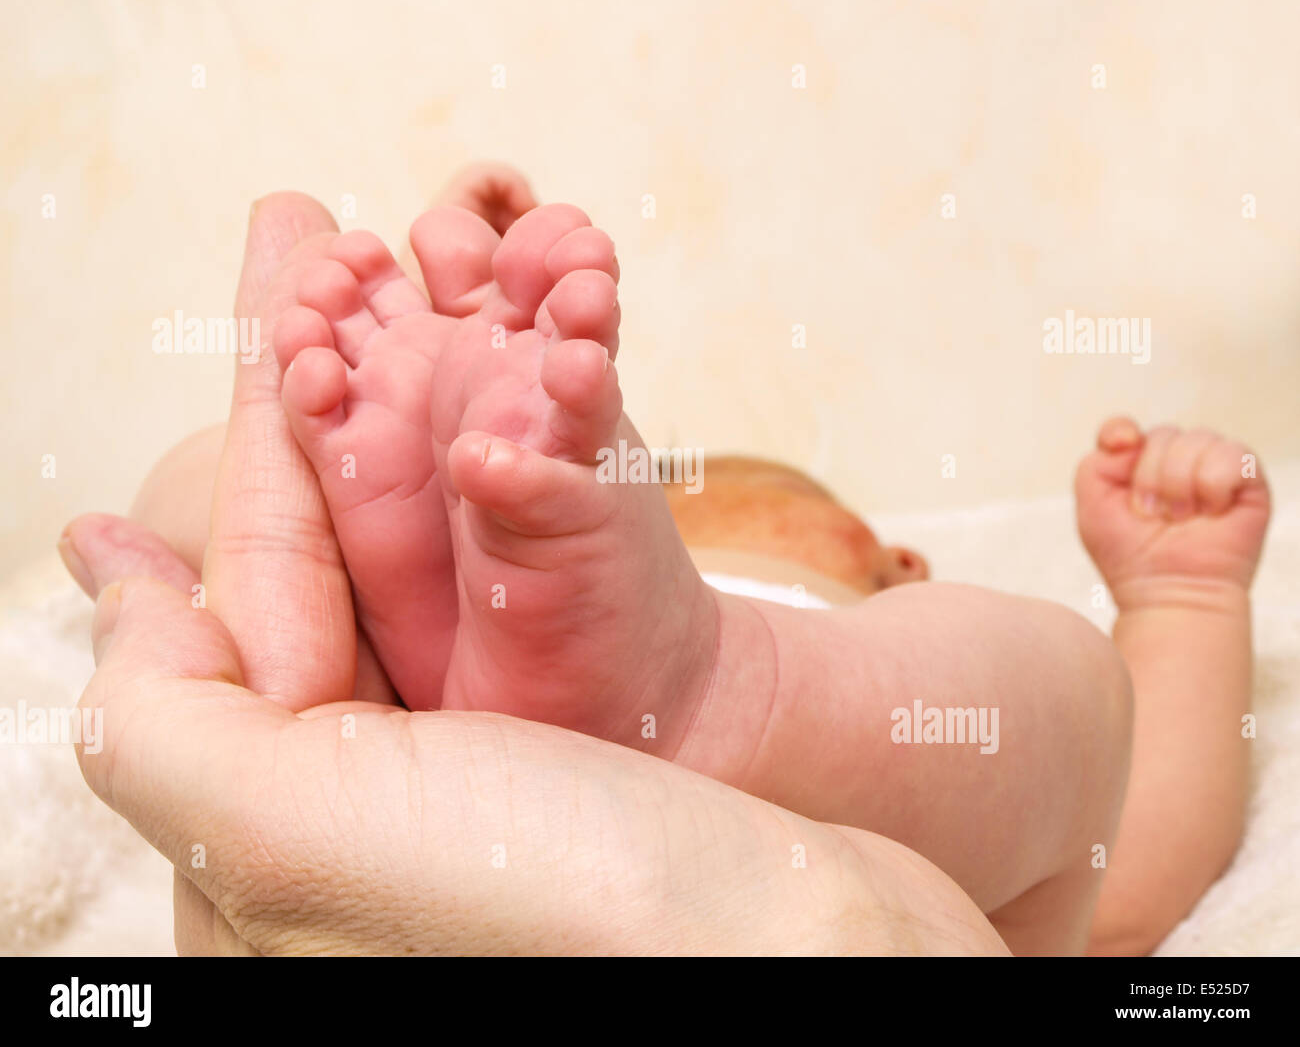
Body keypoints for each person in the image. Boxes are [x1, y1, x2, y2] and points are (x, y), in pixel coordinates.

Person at [62, 167, 1271, 955]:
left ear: (890, 561)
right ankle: (577, 631)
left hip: (798, 737)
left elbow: (1130, 846)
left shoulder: (888, 609)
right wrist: (1177, 601)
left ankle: (707, 682)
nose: (683, 509)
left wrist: (1181, 593)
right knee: (1077, 698)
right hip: (460, 705)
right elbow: (1146, 843)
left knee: (1049, 689)